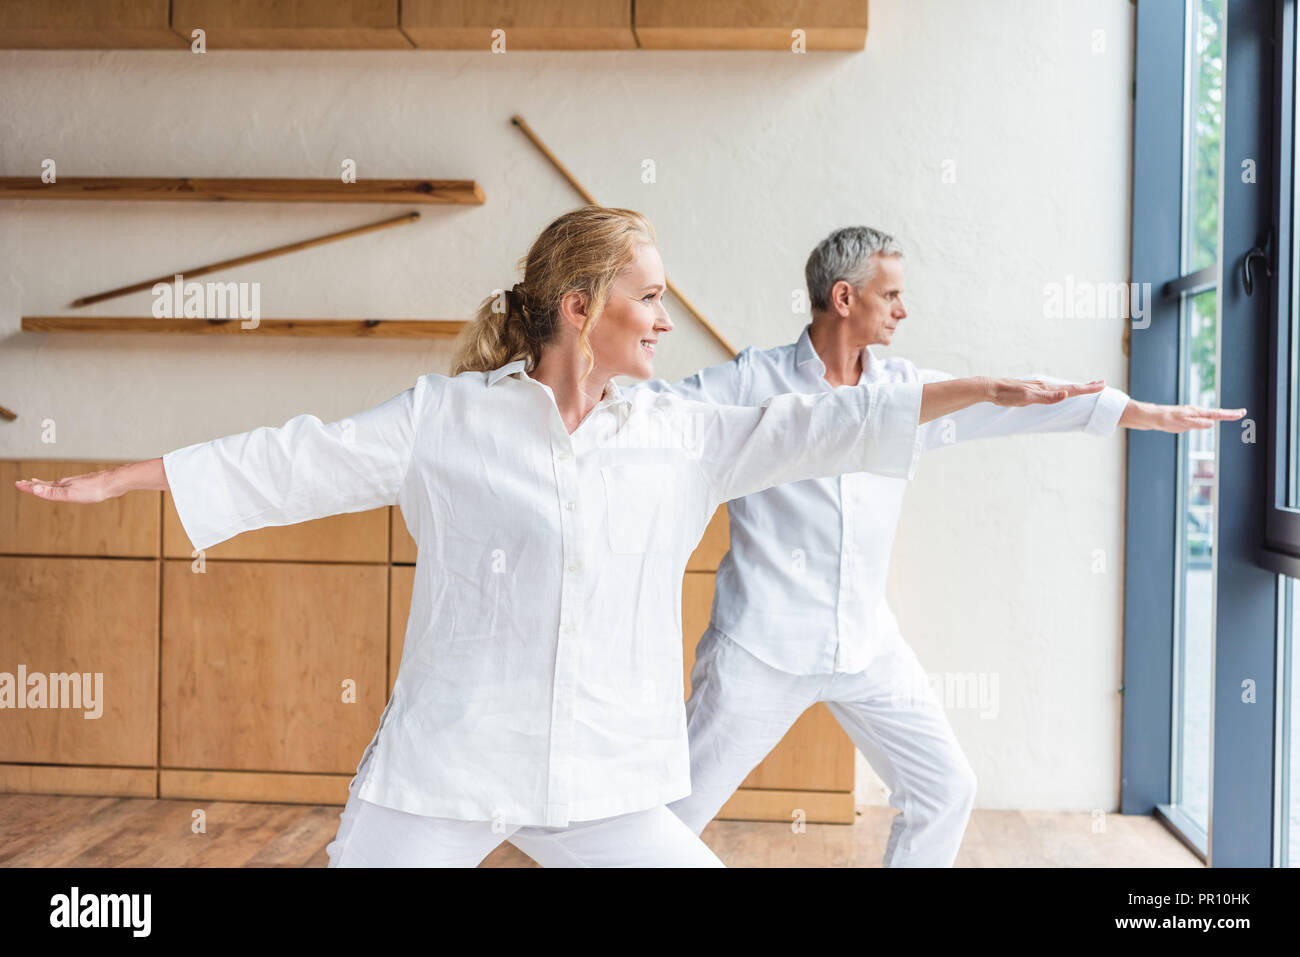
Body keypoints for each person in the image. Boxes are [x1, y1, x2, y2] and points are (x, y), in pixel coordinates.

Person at [12, 207, 1103, 868]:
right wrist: (140, 475)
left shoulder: (681, 436)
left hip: (602, 784)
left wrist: (975, 389)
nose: (667, 321)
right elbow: (298, 458)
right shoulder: (449, 422)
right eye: (651, 297)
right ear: (581, 308)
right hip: (441, 769)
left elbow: (822, 421)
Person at [627, 225, 1246, 867]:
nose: (903, 310)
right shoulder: (754, 379)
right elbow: (661, 412)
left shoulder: (907, 388)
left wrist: (1134, 412)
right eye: (891, 294)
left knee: (946, 789)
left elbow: (1015, 401)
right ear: (844, 298)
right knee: (674, 816)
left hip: (866, 643)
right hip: (762, 645)